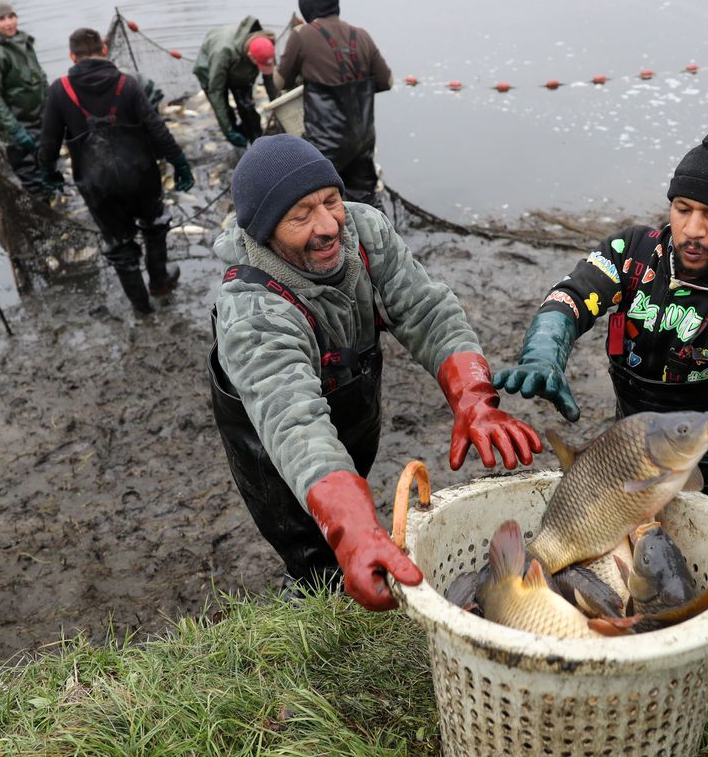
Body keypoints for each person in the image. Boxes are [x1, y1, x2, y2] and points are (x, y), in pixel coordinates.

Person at [208, 134, 541, 610]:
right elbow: (297, 426)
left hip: (351, 402)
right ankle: (310, 597)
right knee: (310, 548)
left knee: (354, 470)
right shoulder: (254, 313)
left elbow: (425, 310)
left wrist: (473, 396)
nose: (328, 226)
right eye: (301, 215)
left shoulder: (364, 232)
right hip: (273, 440)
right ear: (264, 230)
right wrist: (355, 531)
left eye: (331, 200)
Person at [494, 127, 708, 511]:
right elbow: (571, 296)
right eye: (683, 208)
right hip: (637, 453)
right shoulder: (633, 254)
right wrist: (543, 351)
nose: (692, 230)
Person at [37, 28, 196, 314]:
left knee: (119, 244)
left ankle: (141, 307)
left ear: (72, 56)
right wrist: (179, 163)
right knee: (154, 225)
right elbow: (156, 127)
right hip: (141, 176)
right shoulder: (128, 84)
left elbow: (49, 140)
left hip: (97, 184)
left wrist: (49, 173)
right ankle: (159, 281)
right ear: (105, 50)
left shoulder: (60, 89)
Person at [274, 0, 392, 206]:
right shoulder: (361, 35)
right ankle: (378, 236)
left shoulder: (302, 35)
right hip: (363, 141)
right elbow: (387, 81)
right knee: (366, 202)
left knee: (316, 202)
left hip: (324, 143)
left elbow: (281, 81)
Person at [0, 1, 47, 197]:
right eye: (2, 19)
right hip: (18, 128)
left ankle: (54, 199)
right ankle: (38, 213)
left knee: (49, 171)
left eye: (11, 16)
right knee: (32, 182)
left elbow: (40, 77)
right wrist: (15, 130)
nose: (9, 23)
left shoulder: (24, 42)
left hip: (39, 119)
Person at [193, 17, 280, 148]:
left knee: (248, 109)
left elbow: (270, 80)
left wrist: (279, 109)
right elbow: (215, 91)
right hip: (211, 71)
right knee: (225, 110)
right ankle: (238, 142)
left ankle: (256, 142)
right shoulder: (223, 51)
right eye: (259, 65)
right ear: (250, 55)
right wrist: (227, 130)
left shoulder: (266, 45)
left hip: (240, 68)